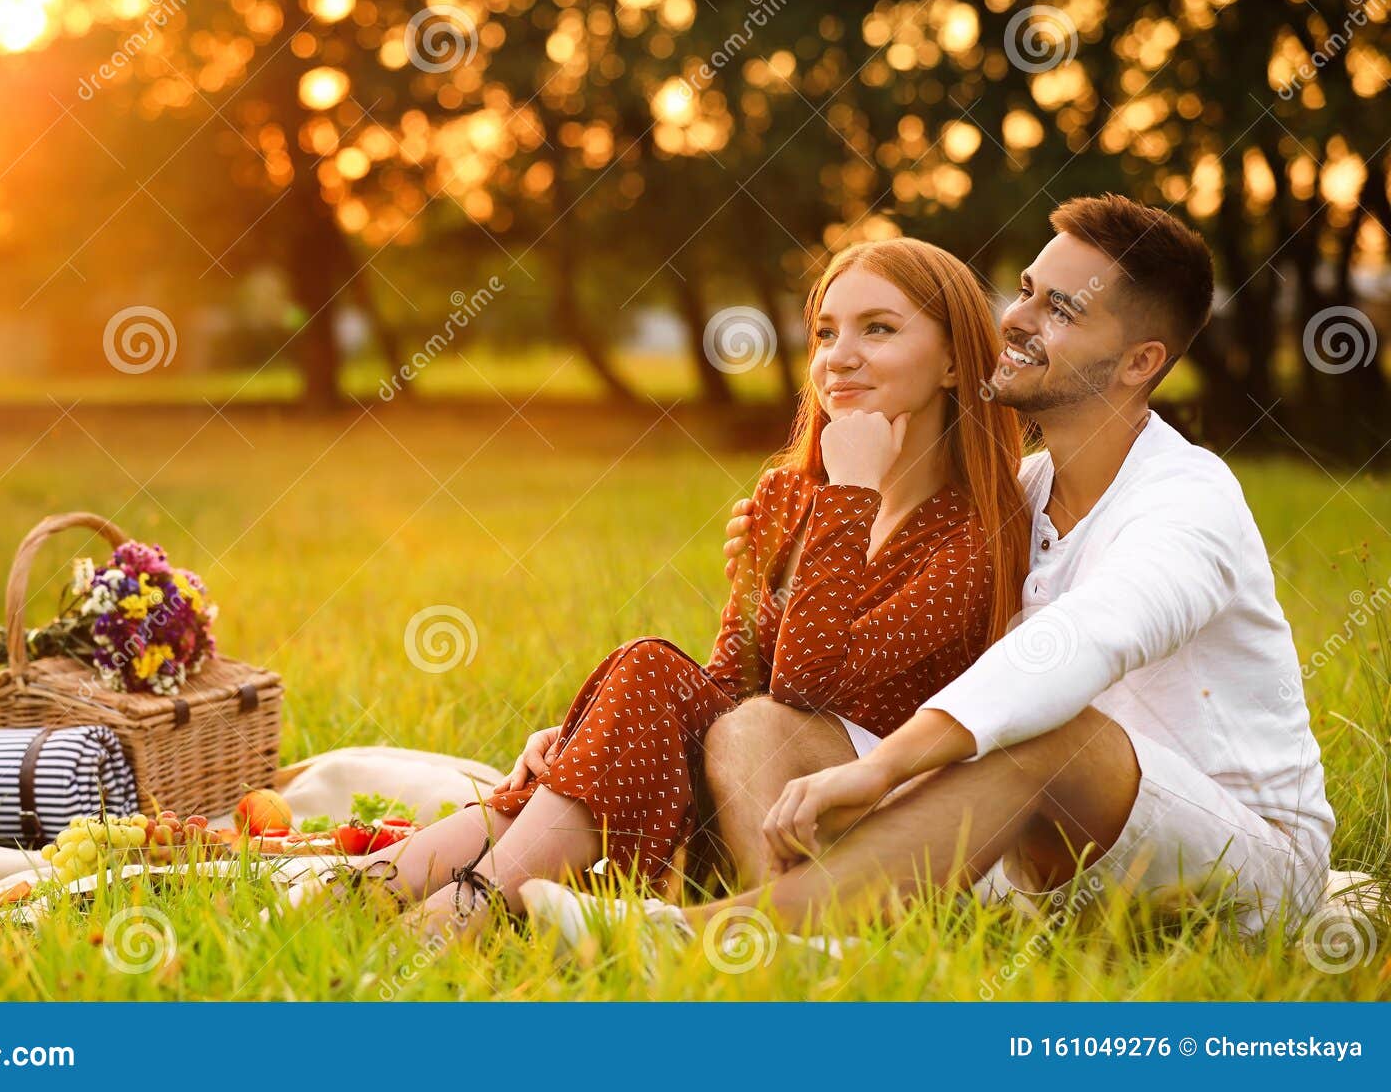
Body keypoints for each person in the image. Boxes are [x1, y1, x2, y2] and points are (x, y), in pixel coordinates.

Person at [521, 193, 1336, 948]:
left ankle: (720, 934)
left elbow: (1081, 642)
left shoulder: (1188, 502)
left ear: (1136, 362)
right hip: (1032, 852)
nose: (1016, 318)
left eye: (1060, 309)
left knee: (1048, 734)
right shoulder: (1012, 497)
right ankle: (809, 950)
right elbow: (840, 667)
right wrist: (612, 718)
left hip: (1240, 863)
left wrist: (884, 767)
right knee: (758, 727)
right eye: (1025, 289)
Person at [270, 236, 1029, 937]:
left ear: (956, 362)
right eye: (827, 332)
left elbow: (802, 687)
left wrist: (852, 497)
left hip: (840, 831)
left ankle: (450, 912)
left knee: (650, 685)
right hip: (726, 805)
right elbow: (731, 678)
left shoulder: (973, 535)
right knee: (642, 673)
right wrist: (587, 739)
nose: (839, 357)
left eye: (879, 329)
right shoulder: (788, 496)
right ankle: (372, 894)